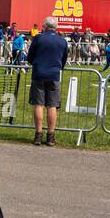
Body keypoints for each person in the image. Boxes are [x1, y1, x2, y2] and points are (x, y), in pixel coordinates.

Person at [26, 16, 67, 146]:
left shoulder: (38, 38)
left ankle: (38, 135)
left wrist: (36, 64)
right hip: (54, 74)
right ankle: (50, 136)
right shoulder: (62, 41)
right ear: (56, 27)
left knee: (38, 104)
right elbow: (63, 59)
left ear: (45, 26)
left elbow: (30, 56)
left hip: (39, 73)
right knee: (52, 105)